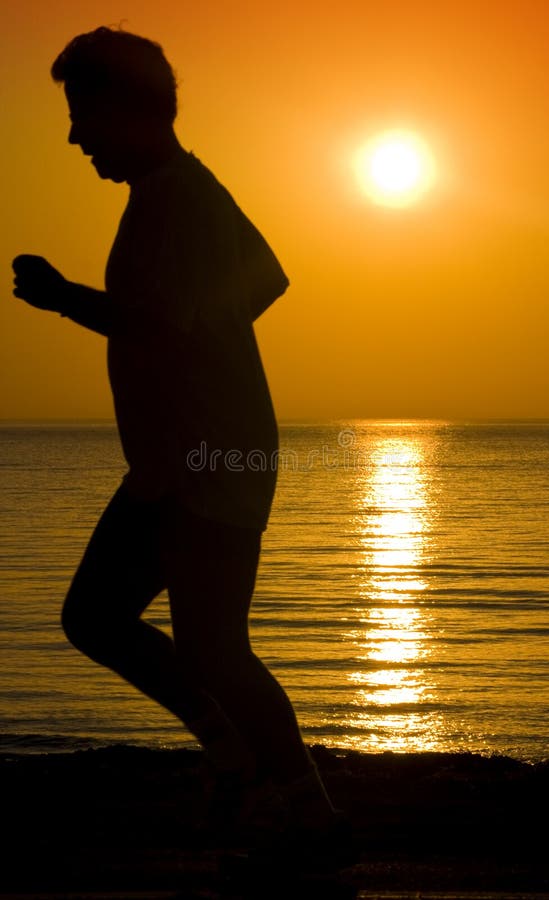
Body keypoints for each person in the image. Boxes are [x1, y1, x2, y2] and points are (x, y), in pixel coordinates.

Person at [12, 26, 343, 859]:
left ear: (128, 109)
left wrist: (63, 298)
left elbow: (164, 321)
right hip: (181, 459)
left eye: (82, 113)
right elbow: (264, 279)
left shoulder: (182, 199)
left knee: (211, 648)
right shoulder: (176, 193)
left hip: (211, 460)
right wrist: (210, 334)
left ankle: (303, 811)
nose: (74, 136)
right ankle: (240, 765)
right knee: (98, 617)